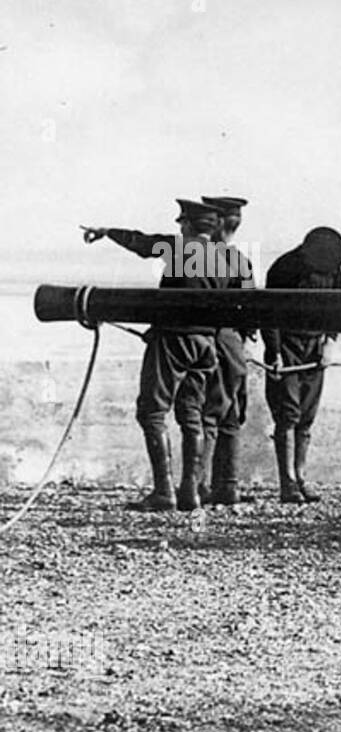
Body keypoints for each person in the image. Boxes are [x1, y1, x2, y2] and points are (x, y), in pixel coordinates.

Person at [81, 200, 229, 511]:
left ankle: (164, 491)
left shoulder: (178, 248)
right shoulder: (225, 259)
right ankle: (190, 490)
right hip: (207, 344)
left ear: (188, 225)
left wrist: (107, 232)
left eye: (182, 223)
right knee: (193, 415)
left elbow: (141, 242)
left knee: (152, 412)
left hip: (173, 341)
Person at [261, 228, 341, 503]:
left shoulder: (333, 266)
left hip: (315, 348)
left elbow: (338, 310)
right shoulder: (283, 268)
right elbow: (268, 313)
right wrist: (274, 352)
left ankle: (300, 477)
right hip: (286, 347)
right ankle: (287, 483)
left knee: (306, 418)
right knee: (287, 415)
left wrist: (329, 343)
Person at [197, 195, 255, 505]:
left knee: (208, 412)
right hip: (235, 343)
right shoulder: (241, 262)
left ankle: (198, 485)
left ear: (217, 223)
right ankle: (228, 485)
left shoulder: (196, 255)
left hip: (211, 339)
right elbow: (253, 308)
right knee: (231, 413)